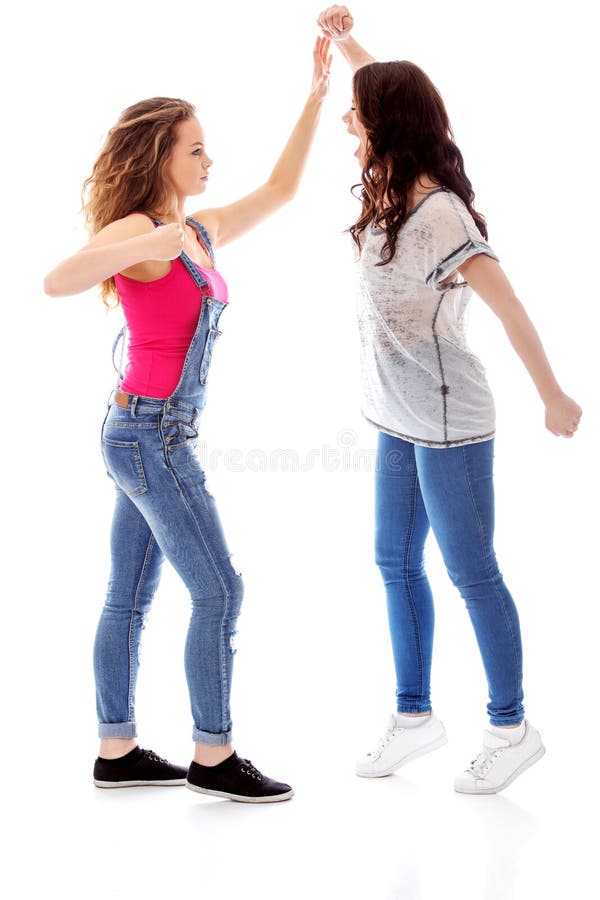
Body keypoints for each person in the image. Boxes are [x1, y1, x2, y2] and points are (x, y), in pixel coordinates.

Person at [43, 37, 332, 803]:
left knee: (130, 595)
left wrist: (314, 96)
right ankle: (214, 755)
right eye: (195, 149)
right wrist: (148, 239)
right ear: (160, 157)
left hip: (145, 434)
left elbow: (281, 188)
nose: (209, 161)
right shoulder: (142, 232)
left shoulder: (199, 232)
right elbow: (57, 281)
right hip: (151, 438)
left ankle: (117, 751)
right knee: (220, 591)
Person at [317, 6, 582, 794]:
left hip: (447, 421)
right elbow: (392, 91)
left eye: (356, 114)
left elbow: (509, 305)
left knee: (472, 572)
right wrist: (345, 44)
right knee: (394, 561)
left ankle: (512, 727)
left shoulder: (437, 213)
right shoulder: (391, 189)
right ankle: (414, 718)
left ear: (387, 126)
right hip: (397, 415)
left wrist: (552, 394)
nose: (346, 122)